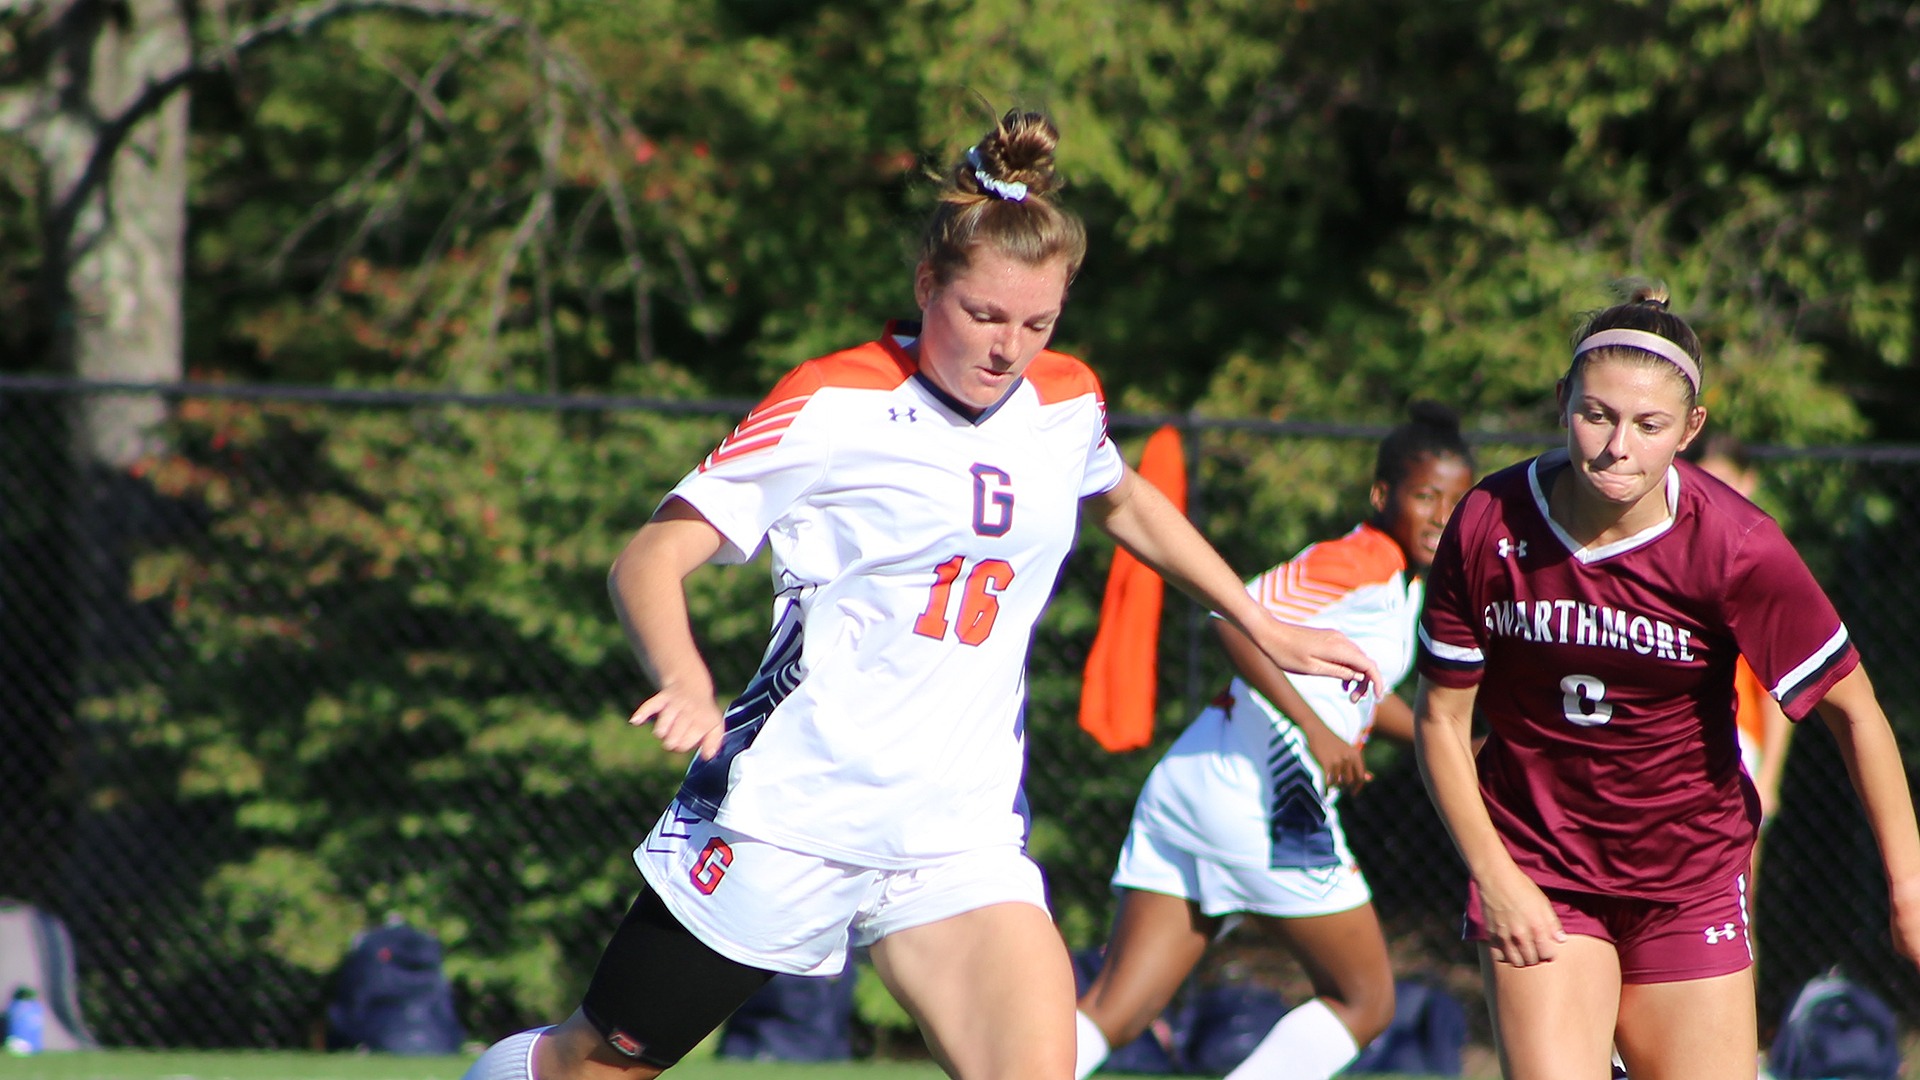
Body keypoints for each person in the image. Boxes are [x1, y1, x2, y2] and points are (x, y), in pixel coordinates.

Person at [459, 109, 1384, 1080]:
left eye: (1038, 323)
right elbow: (646, 561)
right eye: (985, 315)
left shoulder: (1064, 400)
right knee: (591, 1066)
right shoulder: (835, 401)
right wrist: (685, 677)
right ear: (926, 286)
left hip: (957, 830)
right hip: (792, 812)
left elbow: (1127, 503)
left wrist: (1260, 620)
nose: (1009, 348)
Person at [1412, 280, 1920, 1080]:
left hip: (1688, 882)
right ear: (1561, 402)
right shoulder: (1488, 522)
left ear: (1691, 429)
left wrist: (1909, 888)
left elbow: (1856, 714)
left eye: (1649, 425)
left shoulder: (1735, 545)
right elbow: (1440, 722)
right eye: (1597, 415)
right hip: (1543, 870)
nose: (1619, 447)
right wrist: (1495, 876)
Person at [1074, 403, 1476, 1080]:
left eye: (1457, 500)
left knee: (1117, 1008)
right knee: (1365, 999)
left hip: (1195, 783)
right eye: (1425, 496)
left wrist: (1449, 740)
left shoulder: (1404, 585)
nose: (1441, 515)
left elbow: (1360, 695)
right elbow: (1237, 621)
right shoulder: (1361, 559)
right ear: (1382, 497)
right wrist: (1316, 731)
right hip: (1263, 798)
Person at [1684, 435, 1793, 829]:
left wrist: (1768, 779)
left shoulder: (1760, 565)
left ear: (1748, 481)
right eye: (1704, 483)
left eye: (1725, 482)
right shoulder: (1672, 558)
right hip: (1668, 747)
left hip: (1736, 743)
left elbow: (1779, 688)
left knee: (1739, 881)